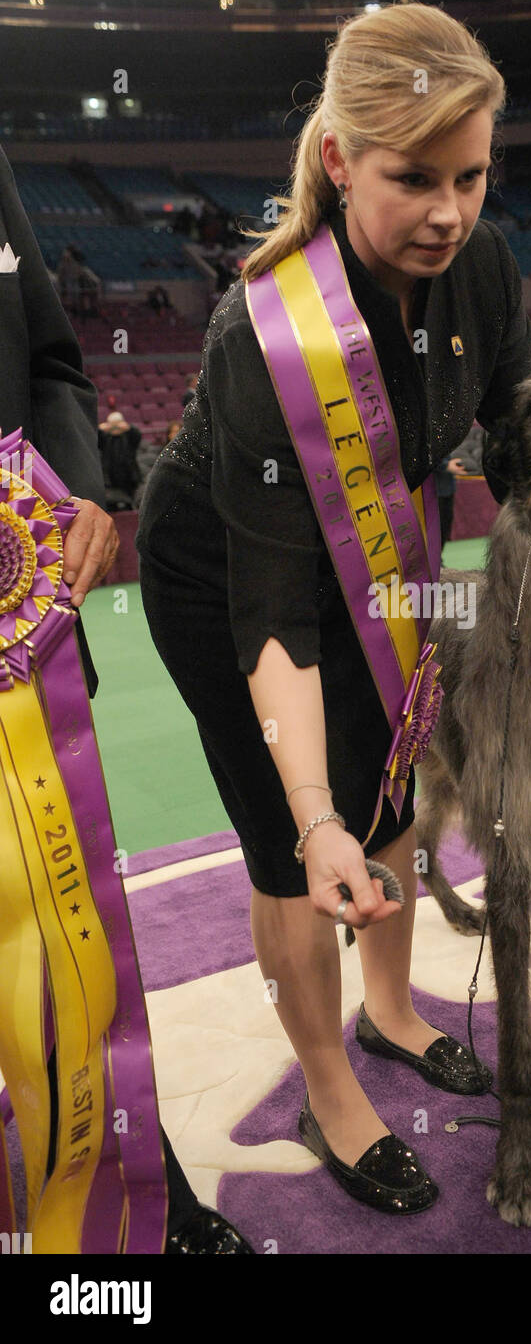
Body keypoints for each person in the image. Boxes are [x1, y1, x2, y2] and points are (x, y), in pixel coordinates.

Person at [136, 2, 531, 1217]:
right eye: (413, 177)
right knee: (298, 843)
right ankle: (329, 1088)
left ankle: (395, 1007)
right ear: (335, 161)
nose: (448, 211)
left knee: (396, 789)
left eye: (471, 176)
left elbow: (515, 426)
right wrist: (316, 813)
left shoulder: (482, 266)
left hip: (379, 561)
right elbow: (274, 610)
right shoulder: (255, 339)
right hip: (232, 588)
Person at [0, 144, 251, 1254]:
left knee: (57, 926)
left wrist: (79, 495)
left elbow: (51, 360)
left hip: (17, 621)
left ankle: (114, 1187)